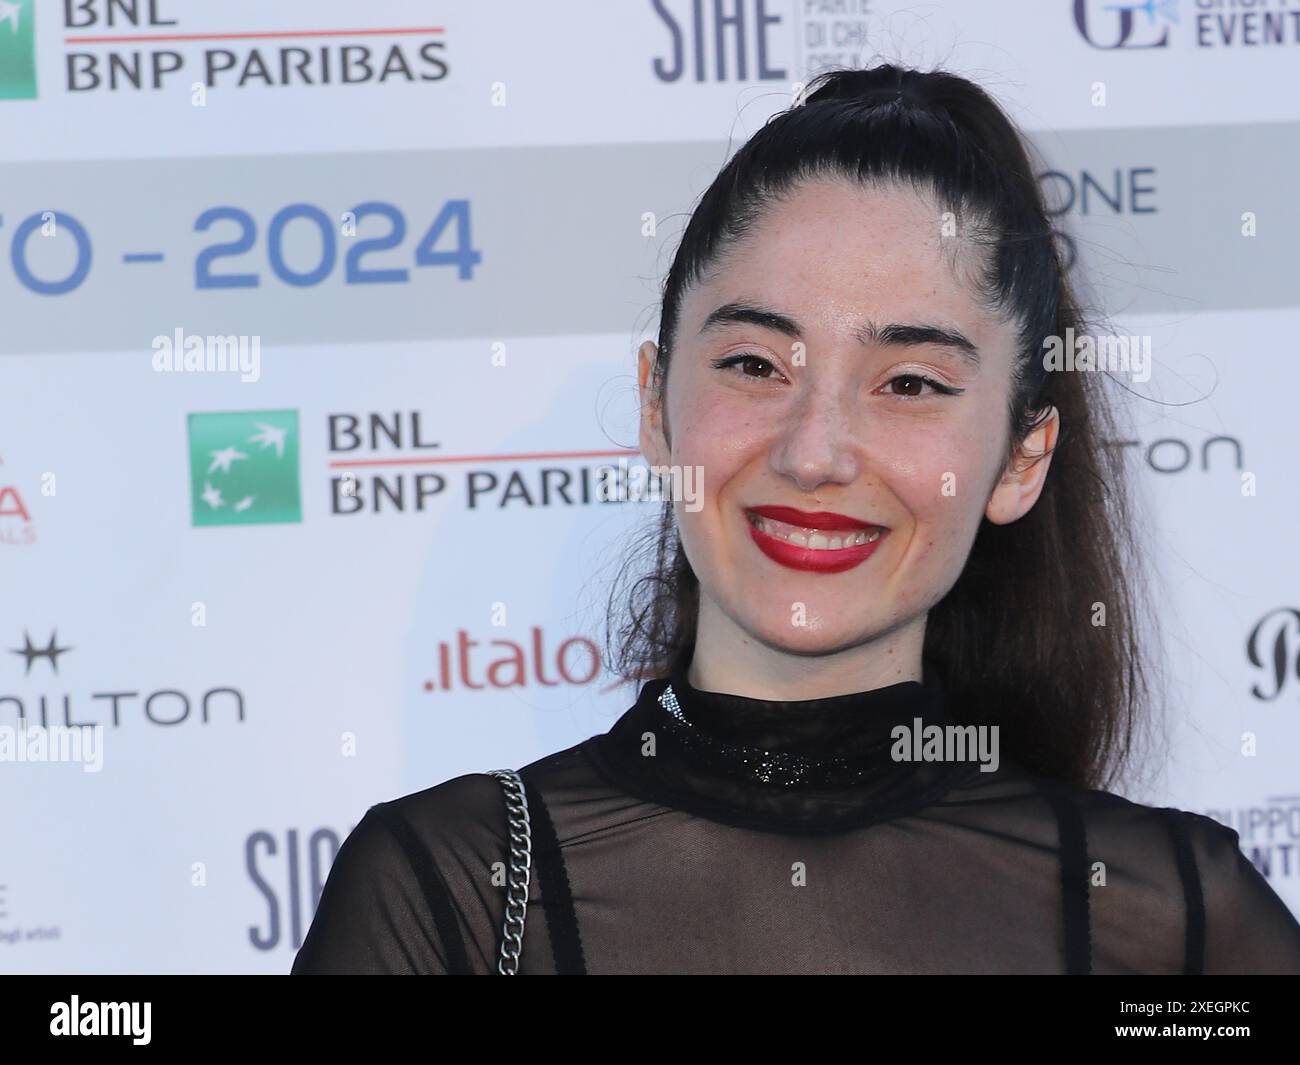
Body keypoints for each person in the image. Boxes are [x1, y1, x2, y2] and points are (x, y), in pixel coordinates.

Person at [291, 63, 1300, 975]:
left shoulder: (1174, 924)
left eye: (908, 382)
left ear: (1020, 458)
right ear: (655, 405)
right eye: (754, 366)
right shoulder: (452, 894)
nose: (813, 452)